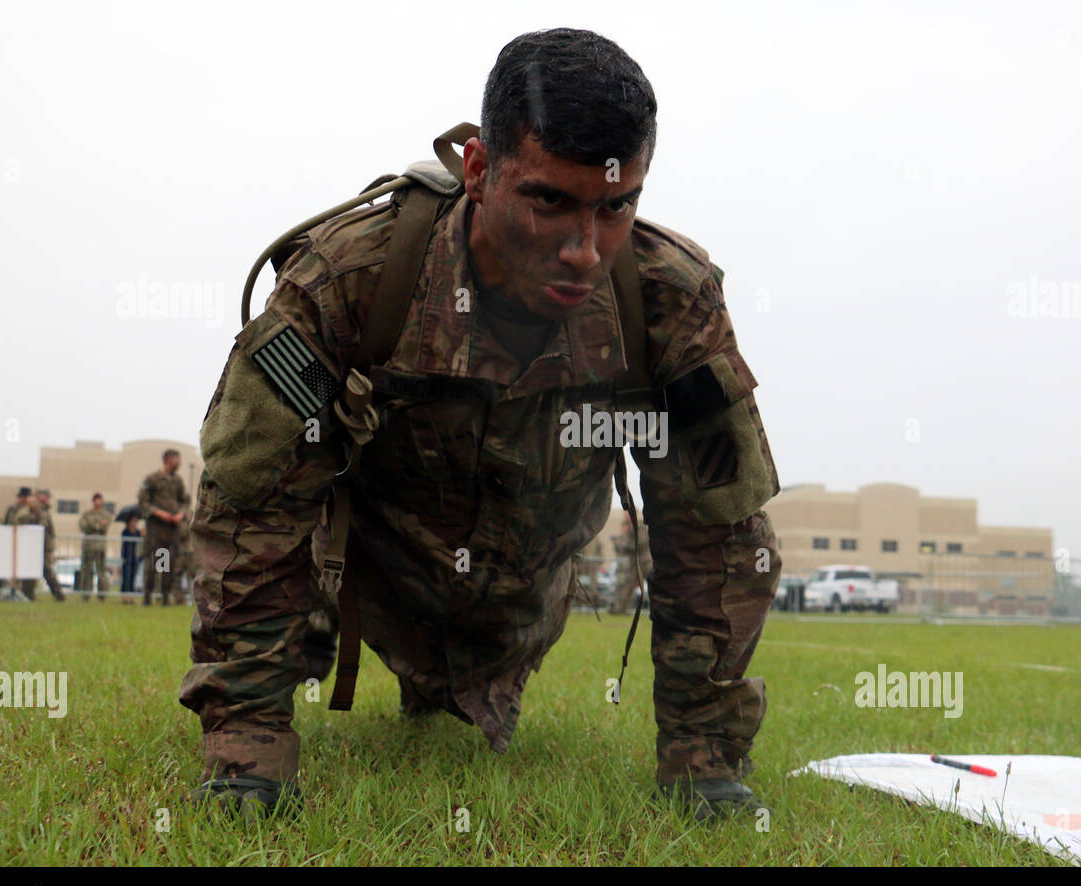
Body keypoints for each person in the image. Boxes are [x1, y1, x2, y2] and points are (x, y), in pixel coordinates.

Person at [181, 28, 781, 822]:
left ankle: (468, 688)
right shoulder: (352, 277)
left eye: (616, 208)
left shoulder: (669, 298)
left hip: (523, 600)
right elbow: (249, 503)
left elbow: (718, 533)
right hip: (359, 577)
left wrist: (705, 768)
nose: (582, 250)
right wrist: (247, 752)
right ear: (479, 170)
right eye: (548, 201)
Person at [138, 449, 190, 607]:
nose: (179, 463)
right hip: (155, 528)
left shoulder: (178, 481)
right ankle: (147, 597)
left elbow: (185, 501)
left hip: (172, 529)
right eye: (176, 459)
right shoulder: (152, 480)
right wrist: (160, 514)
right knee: (153, 563)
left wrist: (181, 514)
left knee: (169, 563)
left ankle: (166, 598)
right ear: (167, 459)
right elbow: (143, 502)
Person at [6, 488, 42, 600]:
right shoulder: (13, 509)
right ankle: (11, 591)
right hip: (16, 542)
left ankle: (28, 593)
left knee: (30, 571)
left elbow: (42, 526)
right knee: (12, 568)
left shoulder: (37, 511)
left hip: (32, 544)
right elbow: (8, 522)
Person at [77, 493, 112, 601]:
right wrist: (97, 525)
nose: (98, 502)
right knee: (86, 571)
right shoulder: (87, 514)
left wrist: (93, 525)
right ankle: (85, 595)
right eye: (96, 500)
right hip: (88, 546)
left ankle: (102, 595)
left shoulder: (106, 514)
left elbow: (105, 526)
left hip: (100, 546)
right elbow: (83, 526)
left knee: (101, 571)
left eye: (100, 500)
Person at [33, 489, 65, 602]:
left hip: (44, 545)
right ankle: (29, 594)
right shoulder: (36, 509)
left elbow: (47, 528)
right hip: (35, 544)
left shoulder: (44, 510)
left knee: (47, 570)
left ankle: (59, 594)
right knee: (37, 570)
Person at [120, 514, 143, 602]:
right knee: (126, 577)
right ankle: (124, 597)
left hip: (135, 558)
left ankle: (131, 597)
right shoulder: (125, 531)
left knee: (133, 577)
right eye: (132, 521)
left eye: (135, 521)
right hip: (127, 558)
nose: (134, 523)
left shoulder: (138, 532)